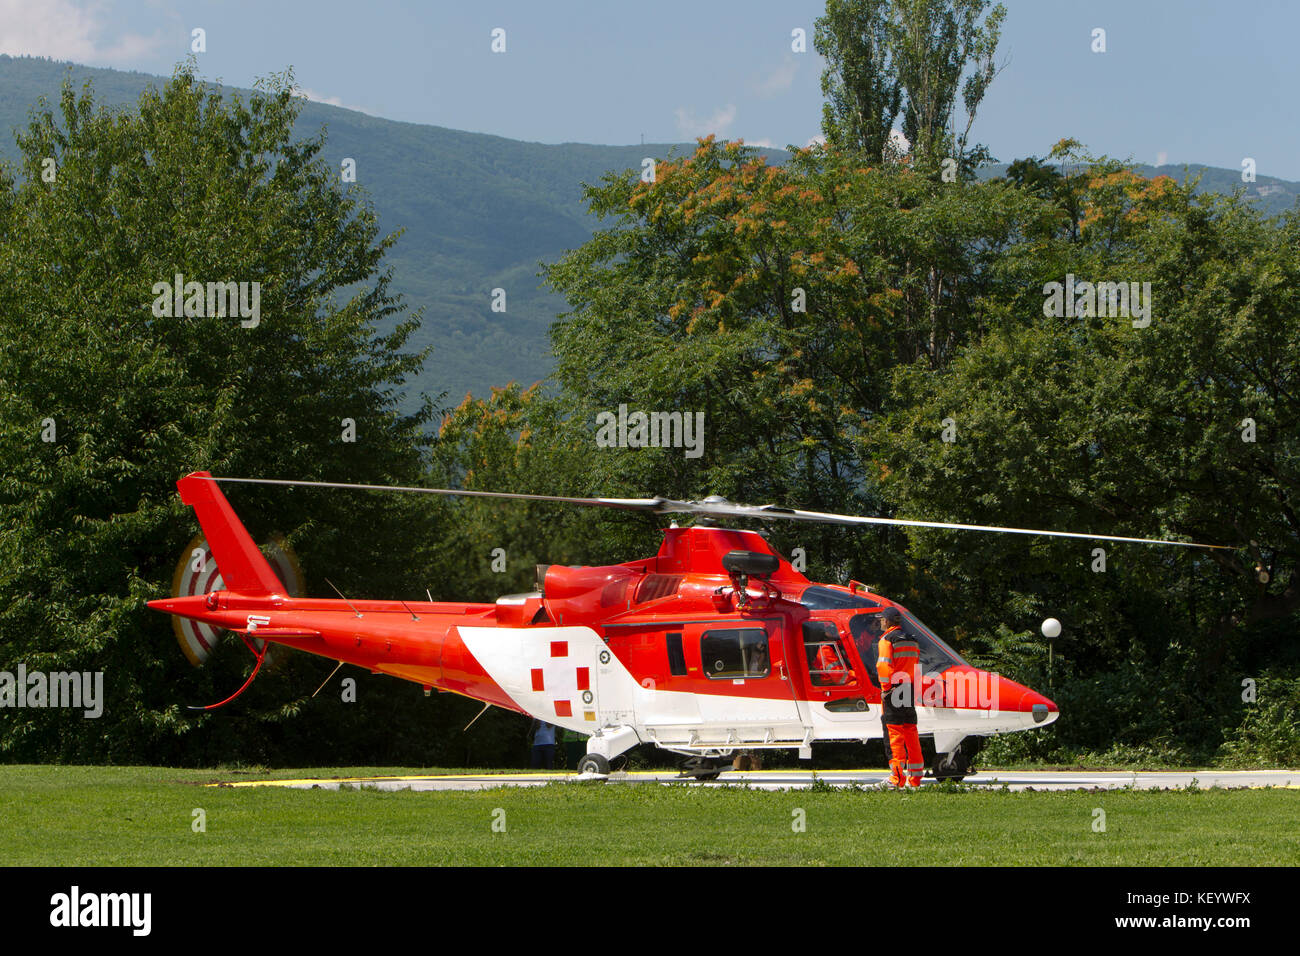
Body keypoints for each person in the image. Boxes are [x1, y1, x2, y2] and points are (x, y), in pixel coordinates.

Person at [876, 607, 923, 788]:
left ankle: (896, 778)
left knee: (894, 733)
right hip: (909, 688)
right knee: (911, 731)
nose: (880, 622)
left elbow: (883, 667)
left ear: (887, 622)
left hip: (893, 690)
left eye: (882, 619)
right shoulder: (912, 640)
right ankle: (916, 778)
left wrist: (886, 689)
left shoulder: (886, 640)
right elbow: (916, 666)